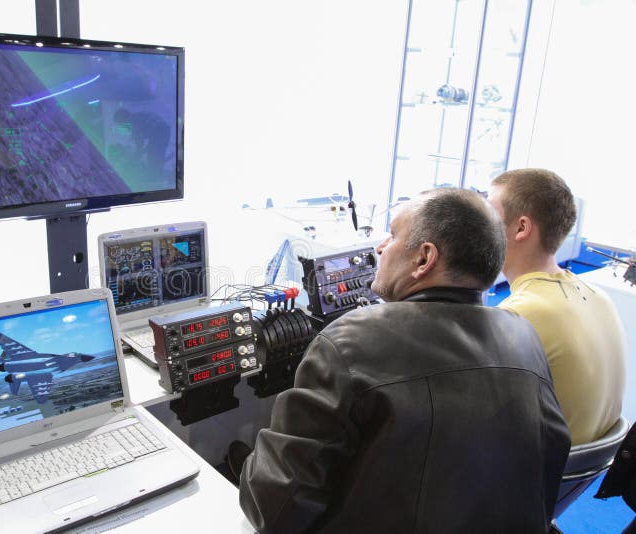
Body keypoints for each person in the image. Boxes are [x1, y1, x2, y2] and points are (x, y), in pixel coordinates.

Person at [238, 188, 570, 533]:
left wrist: (258, 455)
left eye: (393, 235)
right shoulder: (524, 336)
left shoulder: (349, 341)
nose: (380, 247)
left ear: (424, 259)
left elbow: (273, 509)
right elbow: (551, 462)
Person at [488, 168, 626, 445]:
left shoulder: (520, 314)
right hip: (578, 476)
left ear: (521, 228)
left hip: (538, 479)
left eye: (489, 216)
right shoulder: (597, 295)